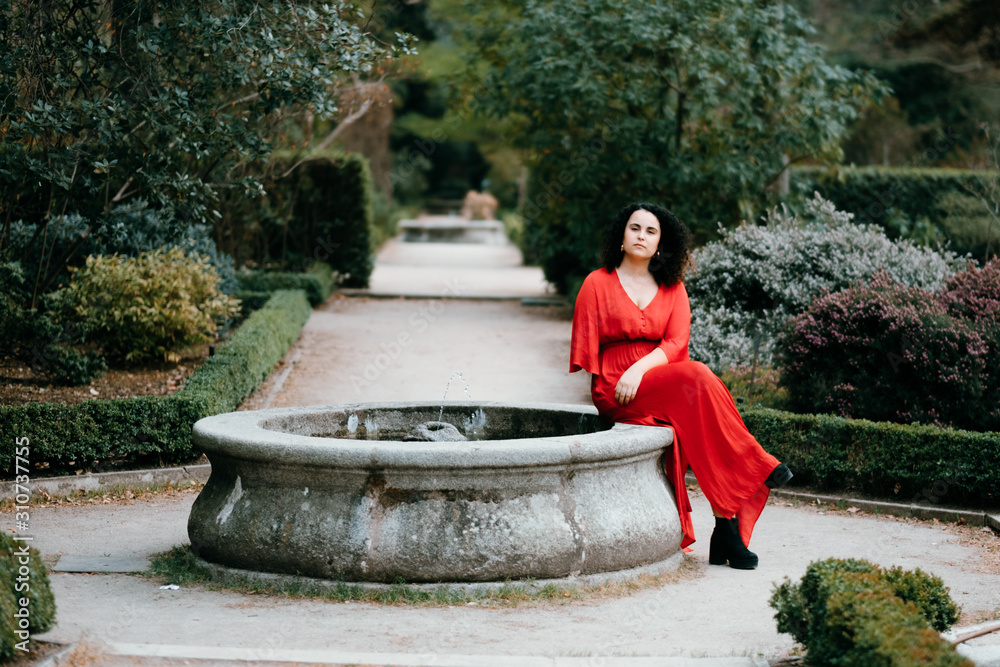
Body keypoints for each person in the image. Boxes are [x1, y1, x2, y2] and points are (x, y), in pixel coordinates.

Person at [569, 202, 792, 569]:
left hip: (653, 378)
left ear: (660, 244)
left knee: (698, 400)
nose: (642, 236)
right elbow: (587, 350)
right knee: (698, 377)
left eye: (651, 231)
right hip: (617, 386)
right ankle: (754, 473)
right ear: (621, 238)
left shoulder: (673, 288)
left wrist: (640, 369)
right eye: (635, 228)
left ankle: (725, 527)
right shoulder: (597, 282)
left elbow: (674, 345)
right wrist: (631, 373)